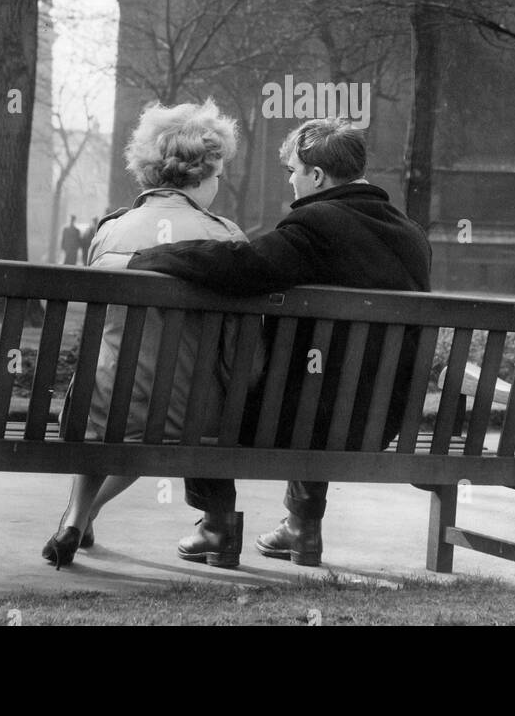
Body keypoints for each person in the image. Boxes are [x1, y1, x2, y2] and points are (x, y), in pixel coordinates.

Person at [96, 117, 431, 569]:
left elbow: (241, 266)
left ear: (316, 176)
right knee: (325, 381)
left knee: (213, 393)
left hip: (308, 418)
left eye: (293, 170)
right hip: (382, 419)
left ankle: (216, 526)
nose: (290, 180)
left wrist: (146, 258)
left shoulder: (316, 225)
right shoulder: (411, 235)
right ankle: (302, 527)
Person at [41, 99, 251, 569]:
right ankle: (84, 514)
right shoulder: (227, 238)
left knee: (117, 397)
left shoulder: (111, 232)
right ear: (205, 170)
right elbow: (238, 350)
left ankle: (76, 516)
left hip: (102, 403)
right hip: (187, 416)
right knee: (159, 406)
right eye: (219, 174)